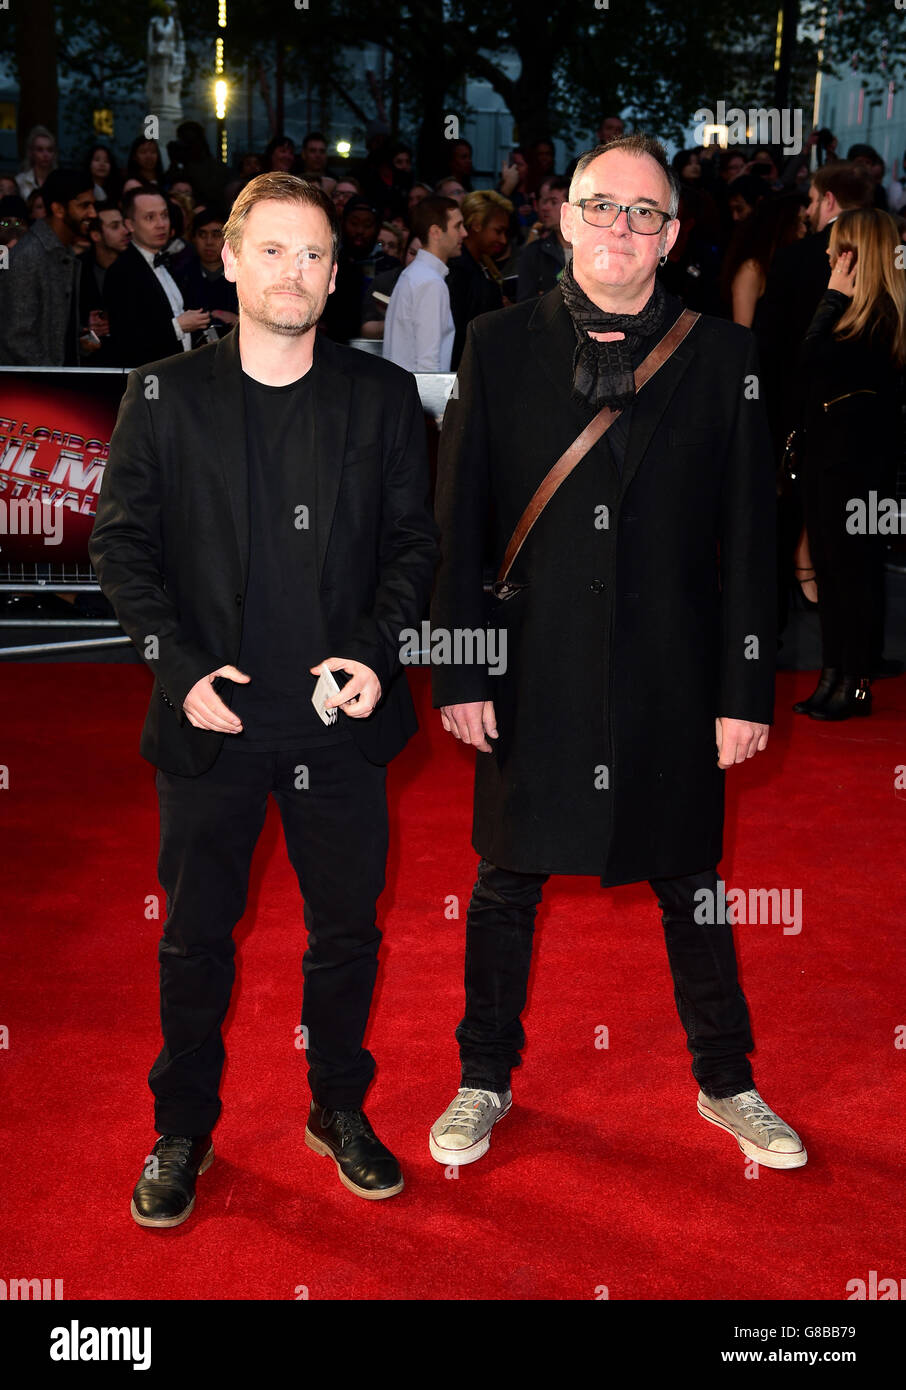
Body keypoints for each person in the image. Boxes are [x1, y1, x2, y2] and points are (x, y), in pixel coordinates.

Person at [429, 133, 806, 1173]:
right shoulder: (496, 344)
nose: (621, 229)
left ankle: (727, 1081)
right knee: (505, 882)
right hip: (529, 666)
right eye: (602, 207)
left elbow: (750, 545)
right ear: (564, 216)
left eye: (645, 213)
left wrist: (743, 689)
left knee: (692, 880)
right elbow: (459, 522)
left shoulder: (722, 355)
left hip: (671, 676)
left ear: (672, 233)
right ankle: (482, 1077)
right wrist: (461, 666)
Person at [88, 171, 439, 1227]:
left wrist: (380, 651)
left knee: (347, 933)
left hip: (337, 721)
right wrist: (178, 667)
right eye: (275, 249)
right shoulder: (161, 394)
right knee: (195, 936)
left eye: (317, 254)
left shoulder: (380, 398)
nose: (297, 270)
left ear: (338, 277)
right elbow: (121, 547)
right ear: (229, 259)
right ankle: (182, 1126)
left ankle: (336, 1106)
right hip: (213, 725)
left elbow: (414, 547)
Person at [793, 208, 906, 719]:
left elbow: (811, 359)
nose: (825, 254)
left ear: (855, 254)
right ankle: (834, 676)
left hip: (857, 465)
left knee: (851, 573)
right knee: (836, 572)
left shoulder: (880, 316)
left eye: (836, 246)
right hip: (830, 459)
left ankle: (852, 681)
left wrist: (833, 295)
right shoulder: (861, 314)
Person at [103, 186, 212, 366]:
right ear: (130, 225)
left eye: (164, 215)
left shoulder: (168, 263)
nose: (161, 224)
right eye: (150, 217)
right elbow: (127, 339)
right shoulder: (121, 272)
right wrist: (178, 326)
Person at [0, 167, 95, 366]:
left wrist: (79, 341)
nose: (92, 213)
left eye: (93, 205)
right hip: (34, 392)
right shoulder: (28, 257)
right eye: (84, 206)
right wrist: (54, 379)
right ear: (59, 209)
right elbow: (17, 338)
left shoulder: (62, 252)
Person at [383, 196, 465, 371]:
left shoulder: (414, 274)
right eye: (458, 226)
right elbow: (428, 366)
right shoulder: (430, 282)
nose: (464, 233)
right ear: (435, 232)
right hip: (418, 394)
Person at [447, 190, 513, 368]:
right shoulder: (458, 270)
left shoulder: (479, 267)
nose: (503, 240)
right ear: (476, 225)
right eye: (498, 231)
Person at [516, 176, 570, 300]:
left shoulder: (592, 249)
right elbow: (525, 303)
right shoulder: (534, 252)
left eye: (553, 202)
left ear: (570, 206)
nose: (545, 208)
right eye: (544, 201)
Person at [15, 125, 57, 199]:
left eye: (50, 150)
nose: (45, 155)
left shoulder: (60, 182)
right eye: (40, 149)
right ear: (31, 152)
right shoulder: (20, 181)